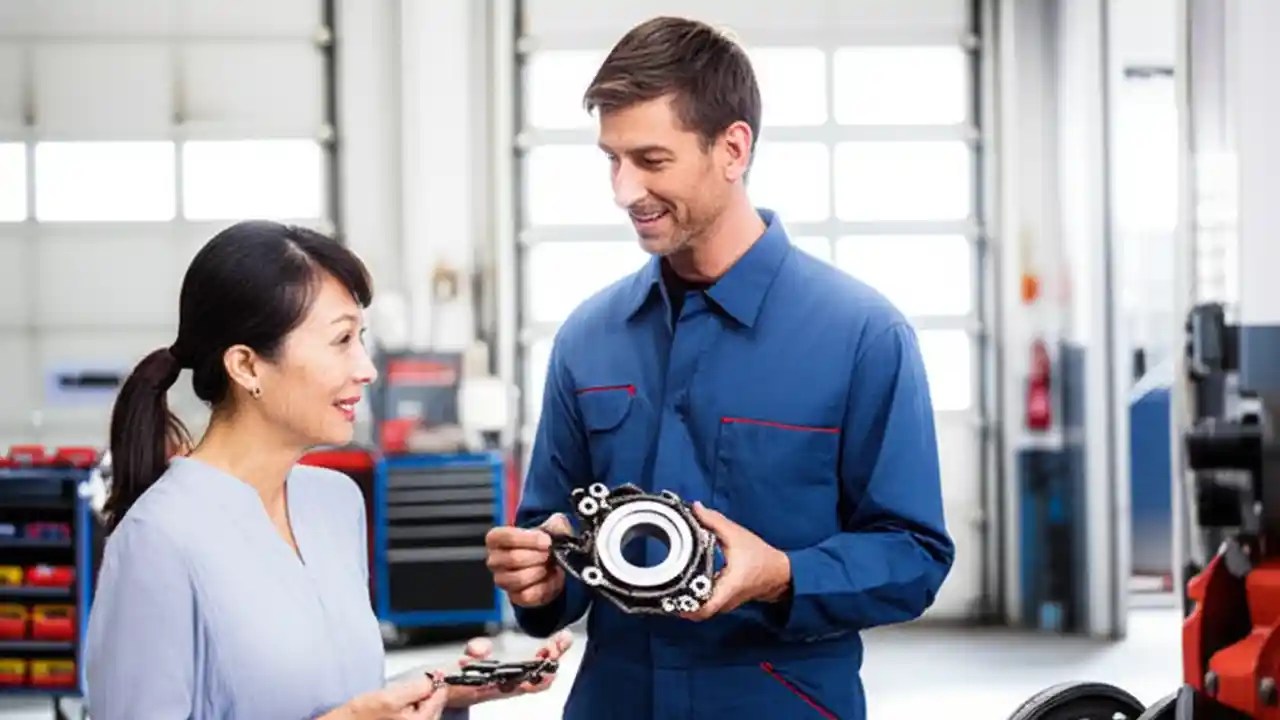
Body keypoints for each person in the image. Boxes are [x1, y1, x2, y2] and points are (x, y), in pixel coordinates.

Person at [484, 15, 955, 720]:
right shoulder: (588, 339)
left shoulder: (862, 335)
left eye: (651, 159)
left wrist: (784, 576)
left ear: (733, 148)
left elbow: (914, 556)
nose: (622, 189)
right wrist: (540, 581)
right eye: (611, 159)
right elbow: (555, 546)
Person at [86, 220, 572, 720]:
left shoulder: (334, 502)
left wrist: (433, 690)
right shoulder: (157, 539)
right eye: (341, 340)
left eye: (361, 338)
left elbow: (321, 695)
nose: (367, 368)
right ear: (247, 366)